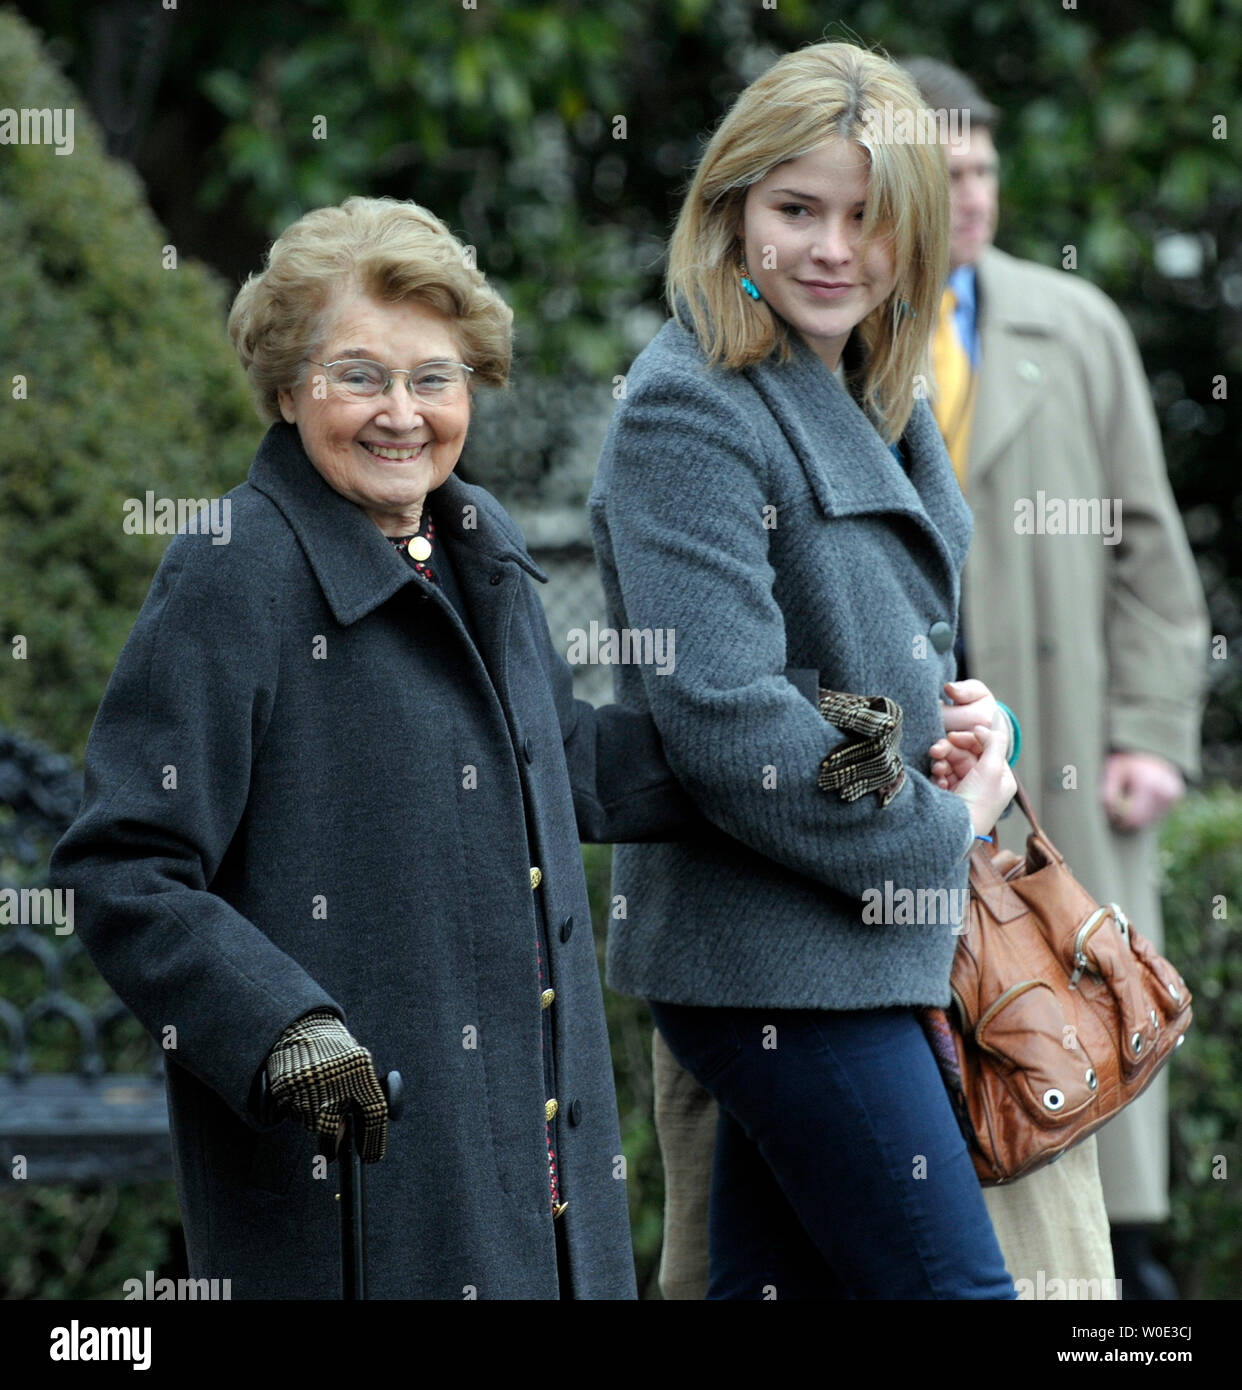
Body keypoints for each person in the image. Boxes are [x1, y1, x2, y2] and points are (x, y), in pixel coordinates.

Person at [49, 195, 703, 1300]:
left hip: (544, 1201)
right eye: (360, 375)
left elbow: (568, 760)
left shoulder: (473, 543)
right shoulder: (231, 569)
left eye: (433, 378)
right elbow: (122, 870)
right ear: (290, 385)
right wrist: (281, 1025)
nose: (403, 413)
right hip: (363, 1205)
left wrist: (782, 746)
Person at [588, 41, 1021, 1299]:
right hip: (774, 959)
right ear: (730, 212)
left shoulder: (868, 379)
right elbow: (729, 717)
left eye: (868, 217)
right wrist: (940, 823)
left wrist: (969, 720)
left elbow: (894, 640)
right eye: (795, 210)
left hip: (857, 944)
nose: (834, 247)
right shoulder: (694, 405)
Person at [900, 56, 1210, 1300]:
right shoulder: (842, 326)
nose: (969, 194)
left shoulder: (1078, 326)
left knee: (1091, 1047)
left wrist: (1148, 729)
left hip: (1064, 766)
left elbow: (1153, 547)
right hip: (921, 777)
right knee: (940, 1090)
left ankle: (1126, 1296)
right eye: (943, 171)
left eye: (982, 168)